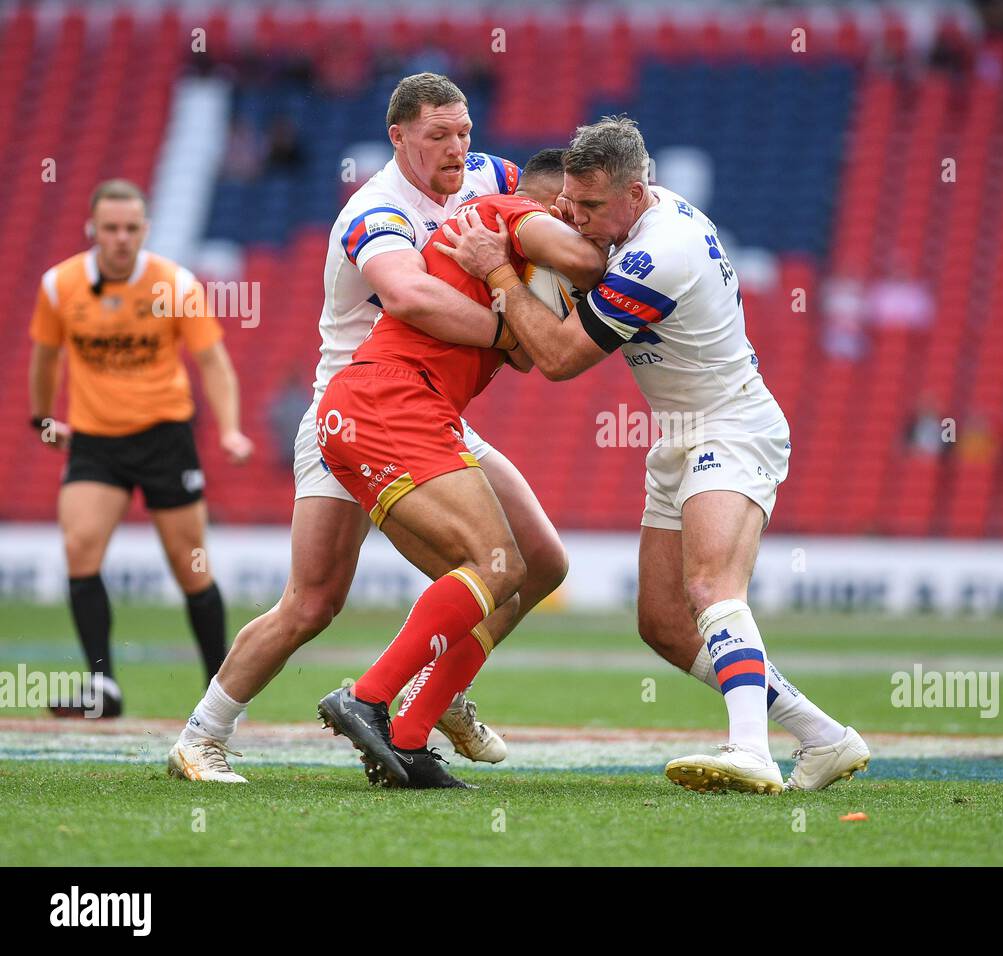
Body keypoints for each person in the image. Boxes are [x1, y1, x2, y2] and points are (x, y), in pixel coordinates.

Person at [439, 116, 869, 793]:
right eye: (570, 203)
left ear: (638, 193)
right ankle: (822, 736)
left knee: (709, 589)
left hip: (732, 429)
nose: (574, 218)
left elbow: (556, 358)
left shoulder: (658, 253)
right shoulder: (638, 222)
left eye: (591, 207)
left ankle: (752, 752)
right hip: (680, 435)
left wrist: (497, 270)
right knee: (664, 625)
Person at [166, 74, 568, 783]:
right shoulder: (374, 209)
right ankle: (203, 735)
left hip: (433, 414)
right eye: (438, 135)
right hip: (355, 415)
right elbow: (412, 297)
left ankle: (432, 694)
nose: (457, 148)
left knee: (537, 564)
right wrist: (519, 328)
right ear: (398, 137)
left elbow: (543, 208)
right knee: (313, 603)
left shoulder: (488, 176)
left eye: (465, 131)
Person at [315, 160, 607, 788]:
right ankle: (365, 697)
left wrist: (514, 286)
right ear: (558, 199)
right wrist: (641, 252)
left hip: (402, 406)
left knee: (524, 566)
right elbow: (585, 261)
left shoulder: (512, 252)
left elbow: (531, 355)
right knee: (496, 562)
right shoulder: (512, 217)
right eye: (582, 208)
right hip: (391, 400)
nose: (586, 222)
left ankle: (413, 738)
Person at [27, 178, 254, 718]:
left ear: (145, 230)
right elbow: (45, 358)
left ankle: (219, 690)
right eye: (111, 228)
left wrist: (229, 429)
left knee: (191, 566)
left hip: (164, 438)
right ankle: (103, 686)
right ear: (93, 230)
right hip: (95, 440)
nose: (121, 238)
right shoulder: (60, 286)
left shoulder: (173, 284)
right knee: (80, 547)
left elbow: (213, 362)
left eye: (131, 228)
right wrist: (41, 420)